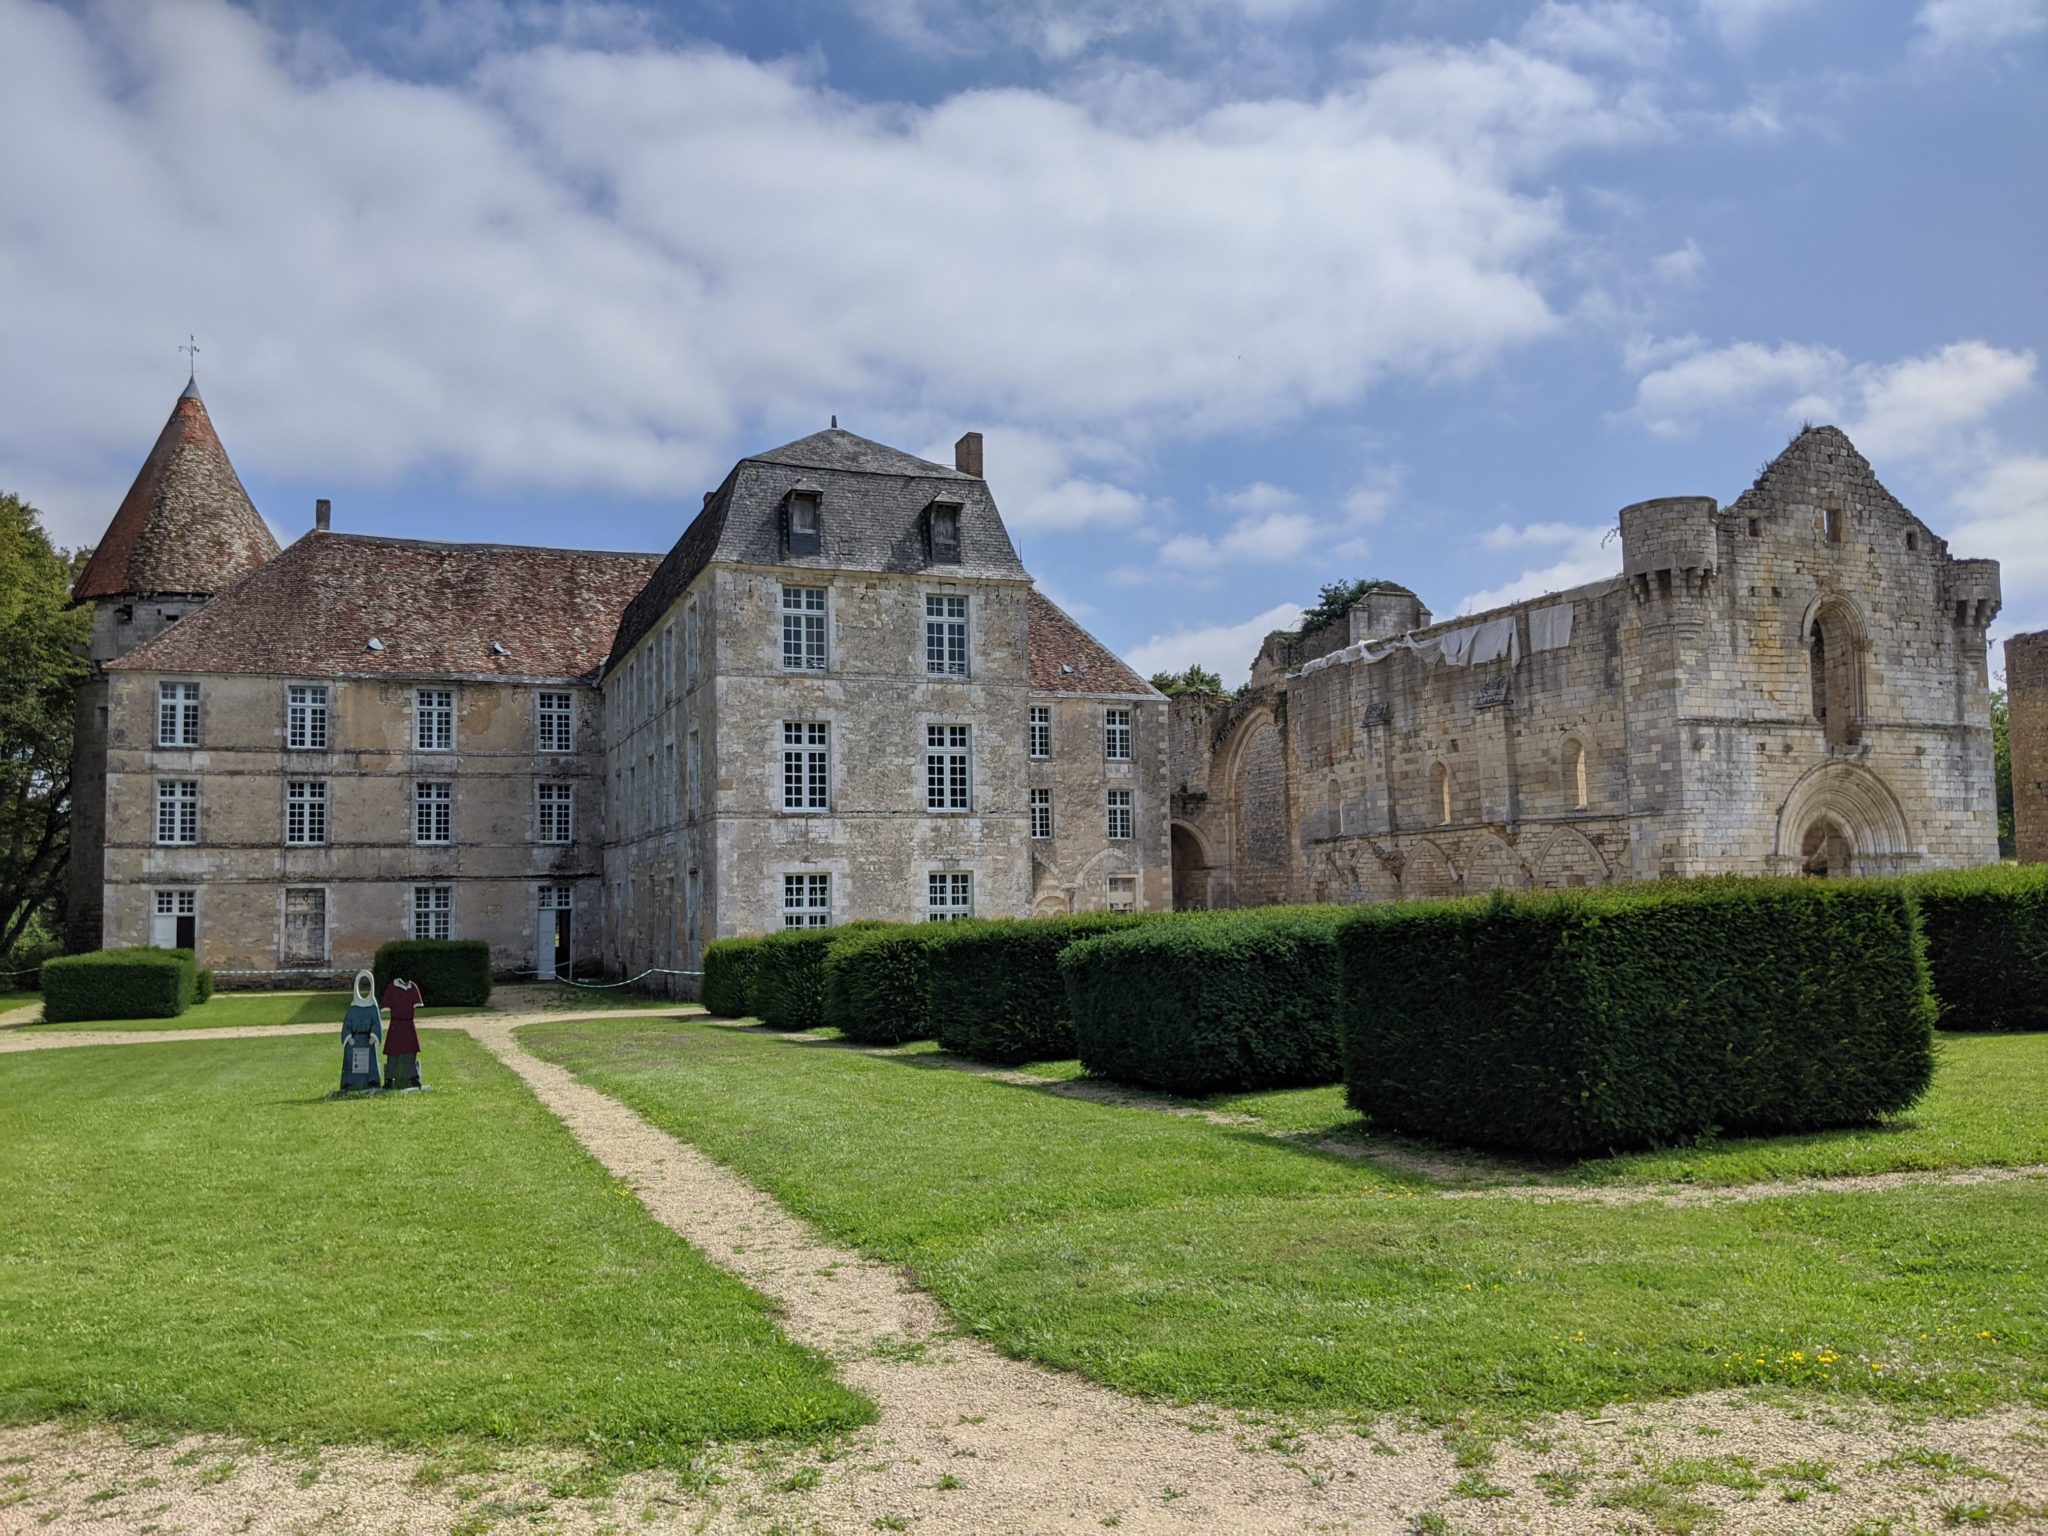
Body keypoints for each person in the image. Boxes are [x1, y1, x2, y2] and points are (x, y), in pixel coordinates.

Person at [339, 970, 383, 1091]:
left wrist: (374, 1036)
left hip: (367, 1041)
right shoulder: (352, 1009)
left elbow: (376, 1023)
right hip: (354, 1040)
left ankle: (371, 1081)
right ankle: (350, 1082)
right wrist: (348, 1037)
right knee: (352, 1060)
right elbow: (347, 1025)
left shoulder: (372, 1008)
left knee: (369, 1061)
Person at [381, 976, 424, 1089]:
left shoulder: (412, 987)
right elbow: (386, 1004)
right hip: (396, 1024)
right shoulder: (393, 988)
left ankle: (413, 1077)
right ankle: (389, 1079)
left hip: (408, 1024)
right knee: (393, 1054)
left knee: (410, 1052)